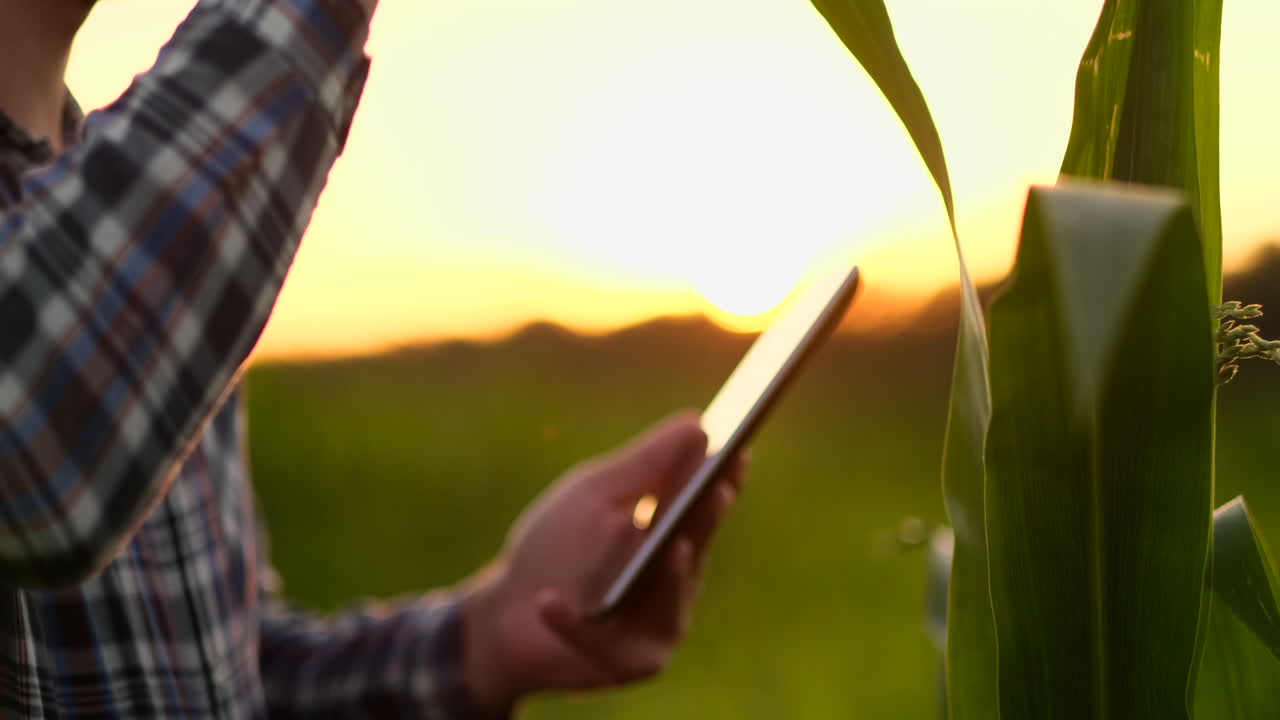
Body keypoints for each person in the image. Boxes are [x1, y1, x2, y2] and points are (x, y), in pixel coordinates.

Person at [0, 1, 746, 717]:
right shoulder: (136, 249)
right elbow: (33, 450)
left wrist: (483, 639)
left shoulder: (134, 231)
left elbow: (222, 676)